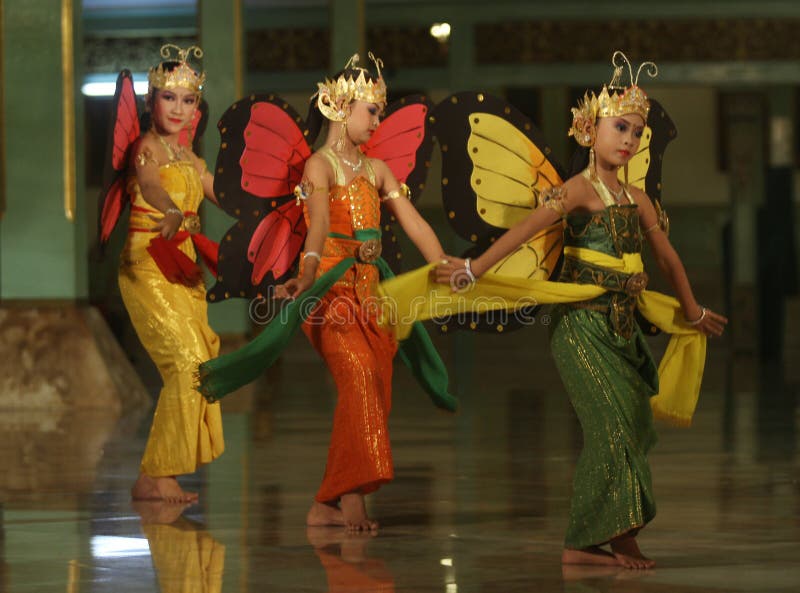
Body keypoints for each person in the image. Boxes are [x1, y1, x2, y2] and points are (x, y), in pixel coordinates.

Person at [382, 52, 727, 568]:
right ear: (590, 131)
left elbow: (669, 258)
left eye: (636, 131)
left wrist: (694, 311)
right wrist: (474, 270)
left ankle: (606, 533)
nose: (629, 140)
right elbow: (523, 232)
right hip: (580, 328)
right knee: (609, 426)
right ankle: (594, 540)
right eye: (619, 128)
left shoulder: (639, 199)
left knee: (630, 426)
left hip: (623, 328)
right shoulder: (576, 190)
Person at [197, 53, 455, 532]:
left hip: (372, 296)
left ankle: (327, 503)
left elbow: (414, 222)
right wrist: (307, 272)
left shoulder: (378, 170)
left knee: (374, 391)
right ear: (339, 106)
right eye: (372, 110)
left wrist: (442, 261)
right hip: (330, 294)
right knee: (356, 379)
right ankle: (352, 500)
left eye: (381, 110)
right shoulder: (319, 166)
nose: (378, 119)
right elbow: (316, 227)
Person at [120, 44, 224, 503]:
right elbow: (149, 187)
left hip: (184, 266)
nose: (179, 108)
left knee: (200, 366)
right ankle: (155, 474)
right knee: (183, 365)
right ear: (150, 101)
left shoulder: (191, 159)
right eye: (169, 98)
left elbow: (231, 198)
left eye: (188, 100)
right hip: (147, 262)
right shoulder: (147, 149)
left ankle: (161, 473)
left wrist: (288, 203)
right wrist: (171, 211)